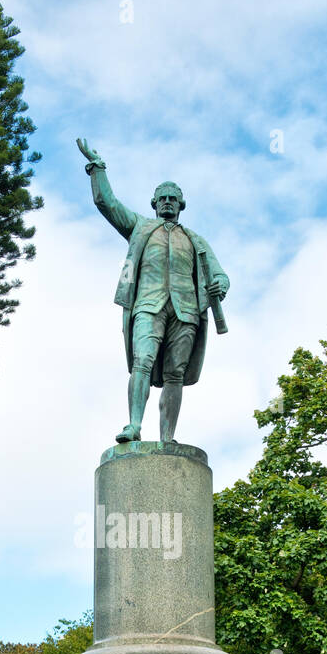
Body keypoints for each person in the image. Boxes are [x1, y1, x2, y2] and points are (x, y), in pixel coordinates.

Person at [77, 138, 229, 444]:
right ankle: (134, 425)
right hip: (148, 304)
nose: (168, 202)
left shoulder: (196, 240)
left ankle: (168, 438)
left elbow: (220, 274)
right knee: (141, 362)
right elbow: (108, 204)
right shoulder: (140, 227)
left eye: (174, 198)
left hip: (186, 311)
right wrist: (98, 168)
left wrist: (221, 285)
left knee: (176, 373)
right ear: (154, 203)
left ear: (181, 204)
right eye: (163, 198)